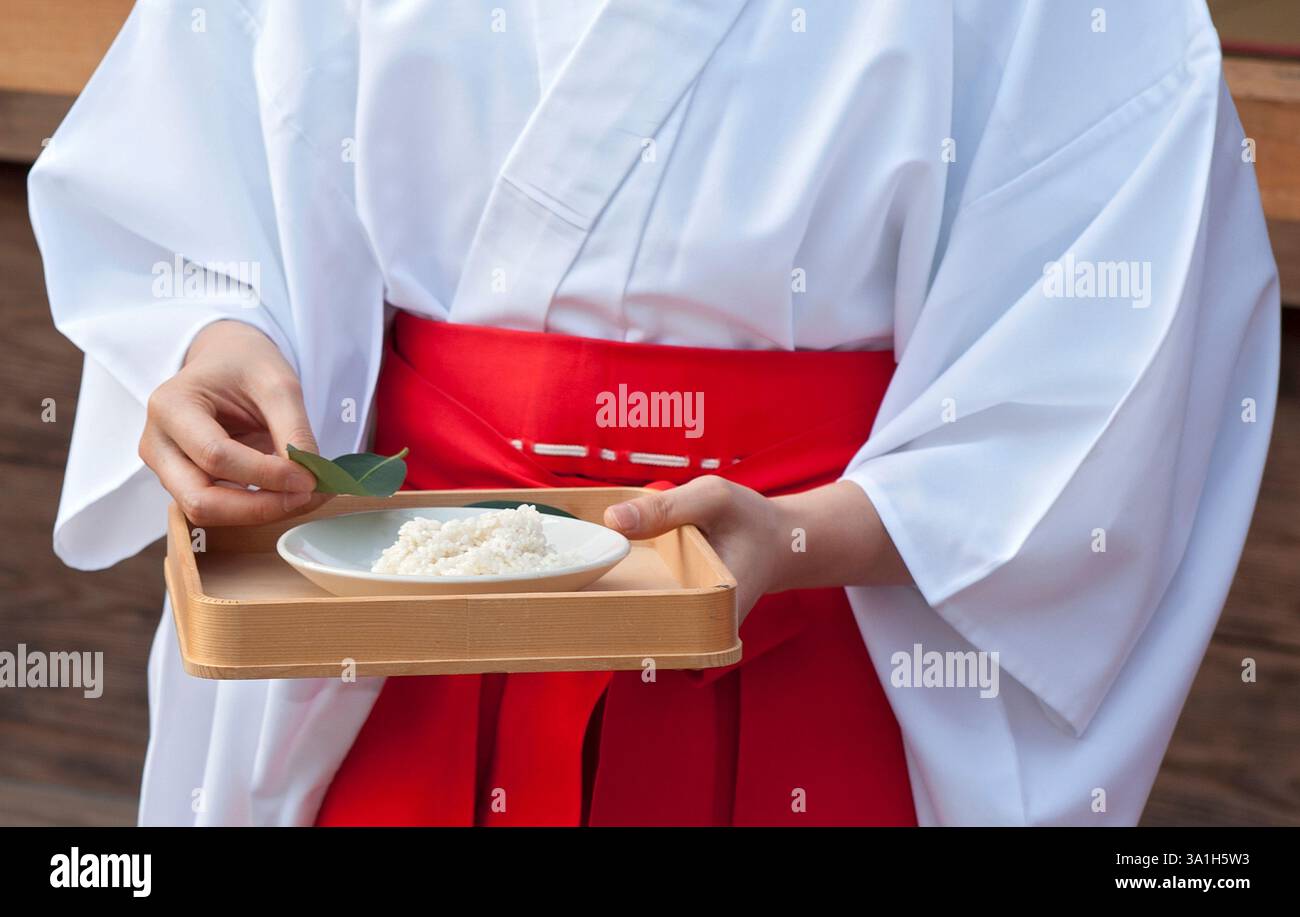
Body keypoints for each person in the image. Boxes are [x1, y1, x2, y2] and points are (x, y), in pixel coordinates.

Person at [29, 0, 1278, 825]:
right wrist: (222, 340)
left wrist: (808, 537)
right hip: (394, 622)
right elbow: (206, 151)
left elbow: (1103, 342)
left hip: (822, 626)